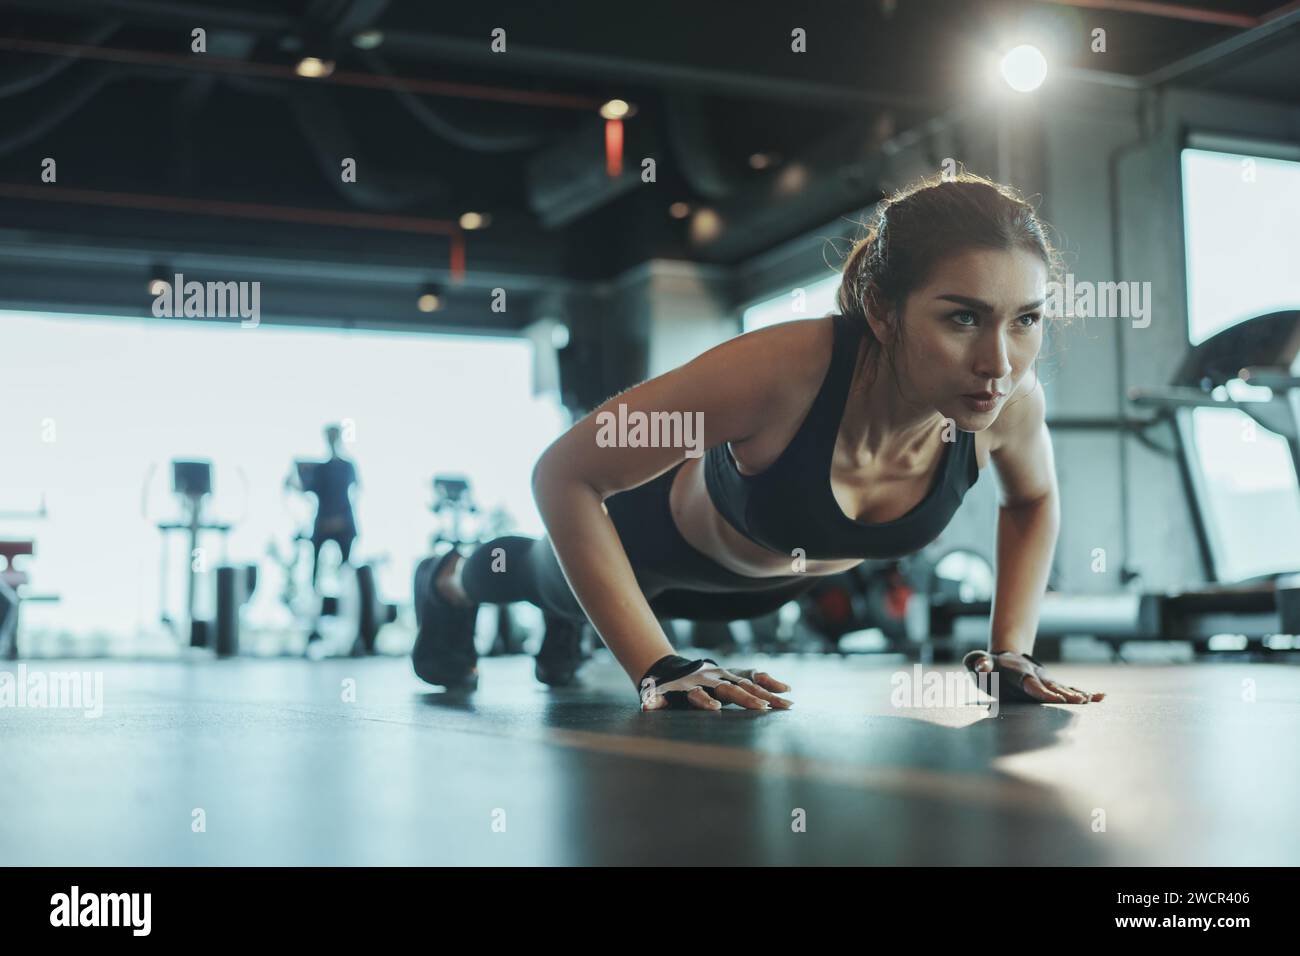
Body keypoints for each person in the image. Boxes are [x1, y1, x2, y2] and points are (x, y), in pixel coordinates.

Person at [413, 172, 1107, 711]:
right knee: (536, 578)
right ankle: (443, 583)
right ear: (881, 311)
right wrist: (657, 668)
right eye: (963, 318)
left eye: (1026, 320)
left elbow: (1033, 499)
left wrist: (1011, 653)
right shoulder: (782, 372)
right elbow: (563, 474)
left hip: (764, 588)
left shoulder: (1008, 402)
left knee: (569, 609)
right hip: (646, 552)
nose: (999, 361)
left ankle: (566, 631)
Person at [291, 424, 360, 590]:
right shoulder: (321, 469)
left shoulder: (347, 466)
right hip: (324, 521)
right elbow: (306, 489)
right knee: (314, 568)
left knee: (347, 570)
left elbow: (357, 490)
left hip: (343, 521)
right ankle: (313, 597)